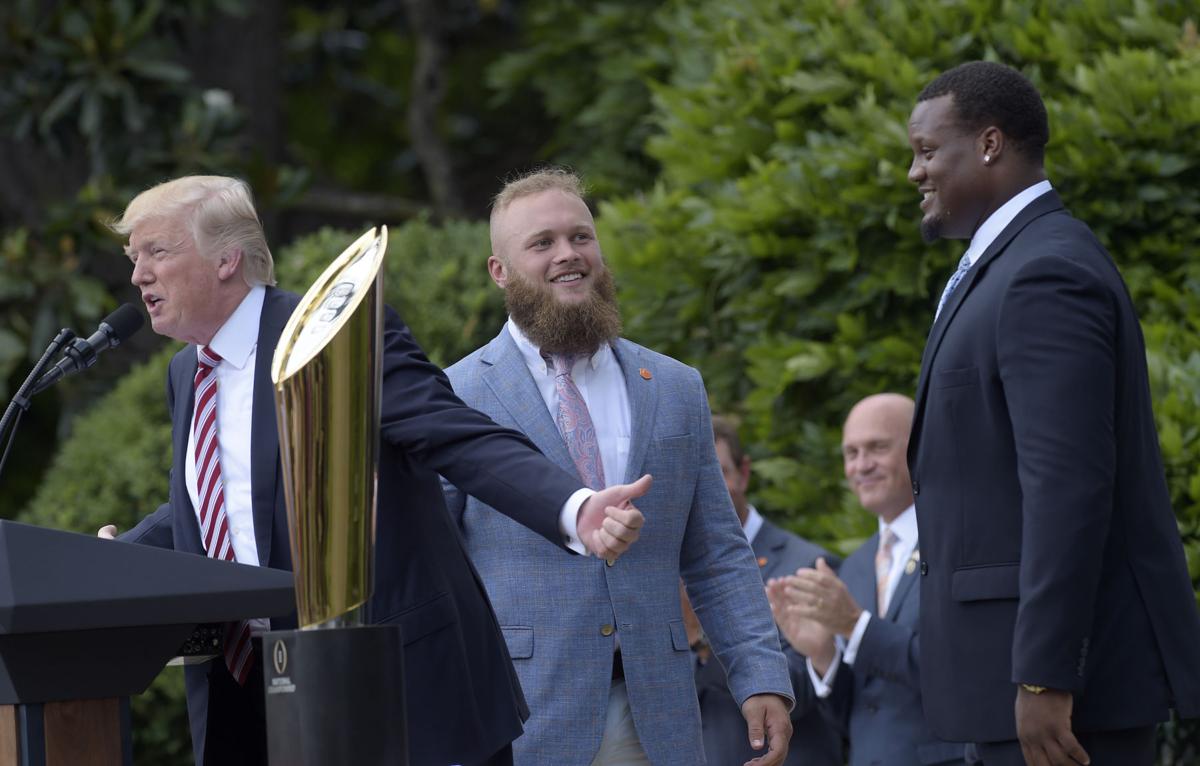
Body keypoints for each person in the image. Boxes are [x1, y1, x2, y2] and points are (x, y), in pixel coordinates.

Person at [97, 175, 651, 766]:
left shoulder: (333, 337)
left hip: (393, 690)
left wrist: (573, 506)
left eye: (157, 251)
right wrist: (121, 558)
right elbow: (222, 498)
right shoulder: (188, 372)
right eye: (135, 258)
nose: (138, 276)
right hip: (251, 692)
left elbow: (455, 433)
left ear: (227, 259)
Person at [441, 167, 794, 766]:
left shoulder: (676, 387)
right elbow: (434, 567)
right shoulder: (456, 394)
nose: (568, 255)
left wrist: (761, 674)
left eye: (581, 237)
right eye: (542, 243)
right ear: (499, 272)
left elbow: (717, 553)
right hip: (522, 716)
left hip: (657, 713)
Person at [905, 61, 1200, 765]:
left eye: (925, 151)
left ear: (989, 144)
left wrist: (1043, 674)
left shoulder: (1045, 273)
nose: (914, 173)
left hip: (1062, 701)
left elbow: (1068, 488)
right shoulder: (1006, 264)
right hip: (1009, 691)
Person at [765, 393, 966, 766]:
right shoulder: (855, 566)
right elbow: (856, 718)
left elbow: (963, 670)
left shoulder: (958, 543)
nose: (862, 465)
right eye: (851, 453)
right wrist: (823, 656)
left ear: (919, 448)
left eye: (877, 448)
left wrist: (856, 627)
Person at [689, 416, 843, 766]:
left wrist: (701, 642)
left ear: (744, 473)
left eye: (718, 475)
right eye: (693, 479)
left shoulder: (807, 566)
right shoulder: (666, 568)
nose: (704, 491)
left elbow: (808, 689)